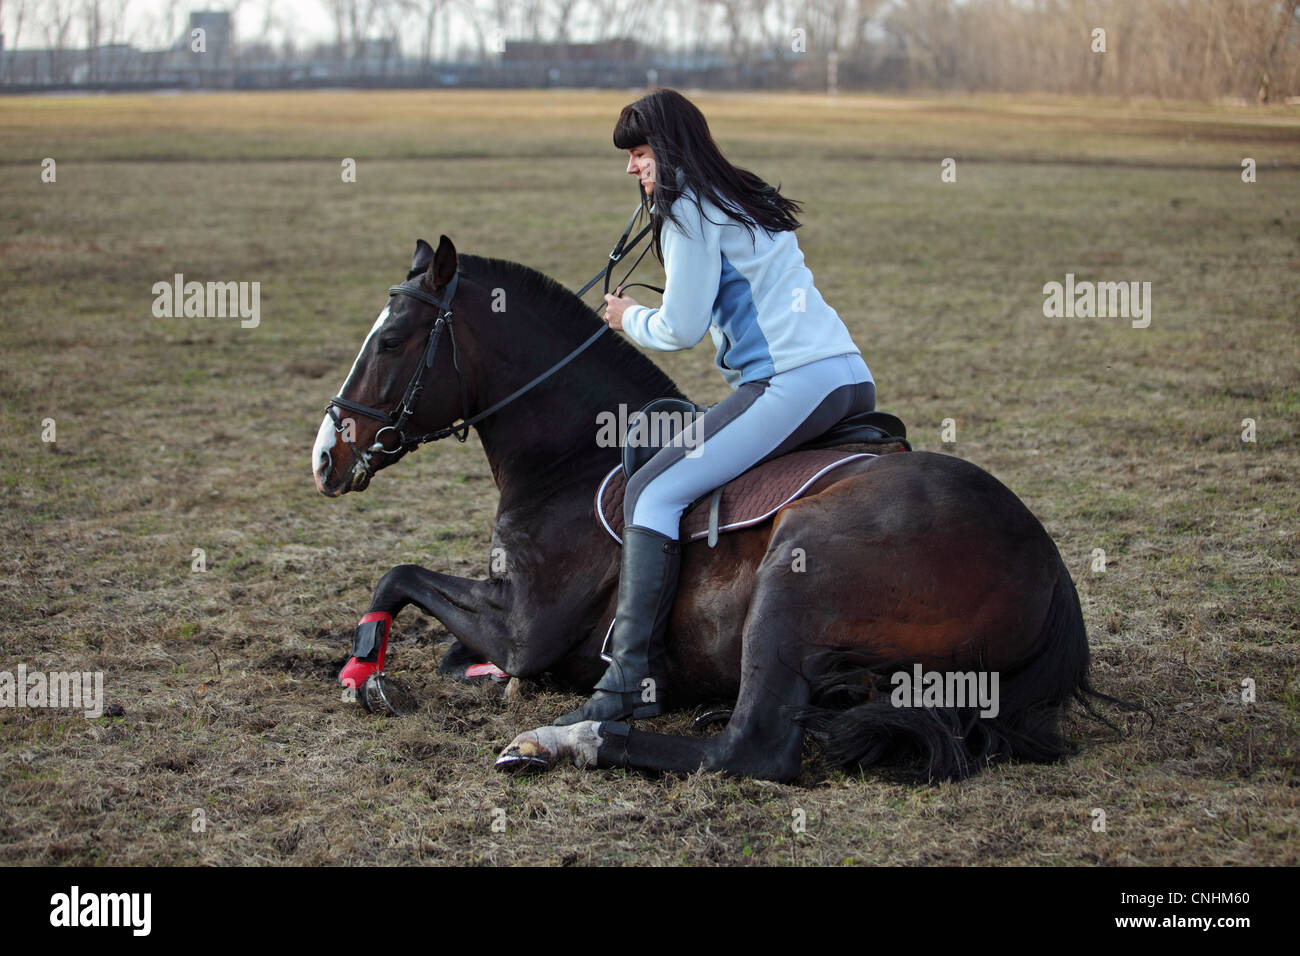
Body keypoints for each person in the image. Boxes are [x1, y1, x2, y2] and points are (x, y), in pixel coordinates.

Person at [554, 89, 876, 726]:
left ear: (666, 151)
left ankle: (627, 683)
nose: (631, 168)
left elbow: (679, 327)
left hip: (791, 383)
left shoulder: (687, 212)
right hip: (847, 376)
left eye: (639, 154)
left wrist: (626, 317)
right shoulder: (740, 192)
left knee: (651, 492)